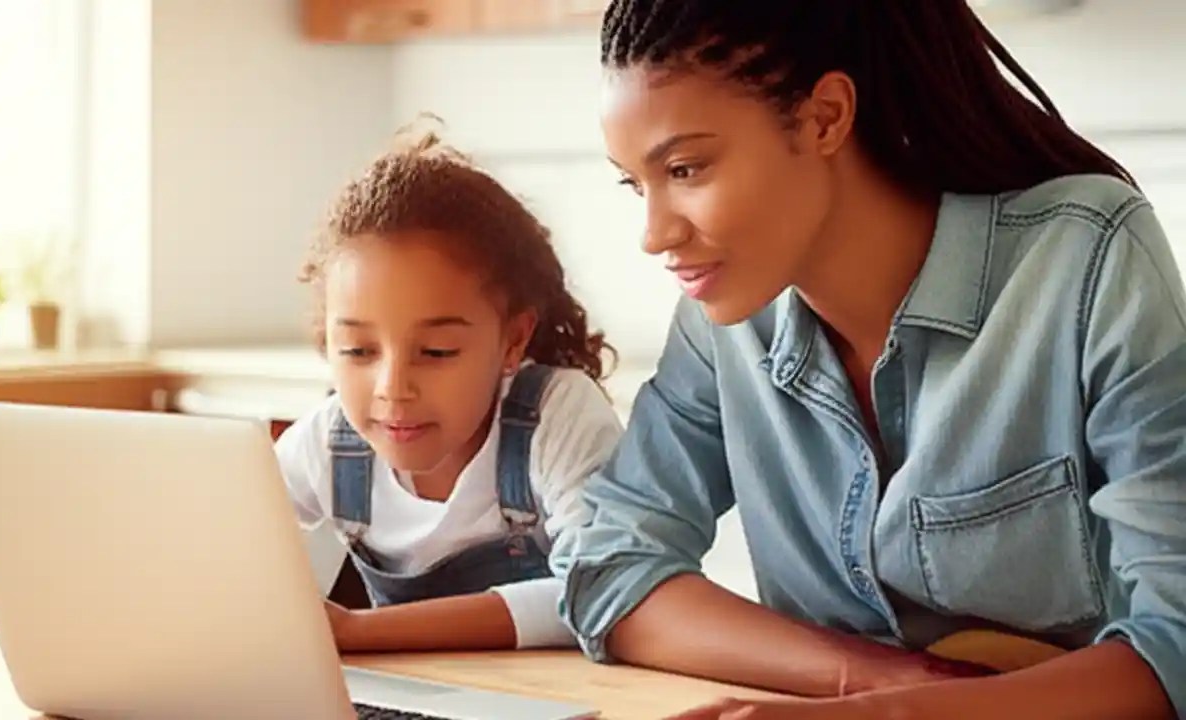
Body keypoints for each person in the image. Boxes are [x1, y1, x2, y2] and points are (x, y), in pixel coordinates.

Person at [551, 1, 1185, 717]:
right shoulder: (723, 321)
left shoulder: (1086, 260)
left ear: (825, 116)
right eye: (637, 184)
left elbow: (1177, 644)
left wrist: (886, 714)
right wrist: (866, 679)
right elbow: (609, 564)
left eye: (687, 168)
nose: (655, 232)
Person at [277, 126, 623, 653]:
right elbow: (222, 562)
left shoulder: (556, 417)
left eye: (436, 352)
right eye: (358, 351)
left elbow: (604, 590)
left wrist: (359, 631)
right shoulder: (329, 444)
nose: (393, 389)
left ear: (513, 339)